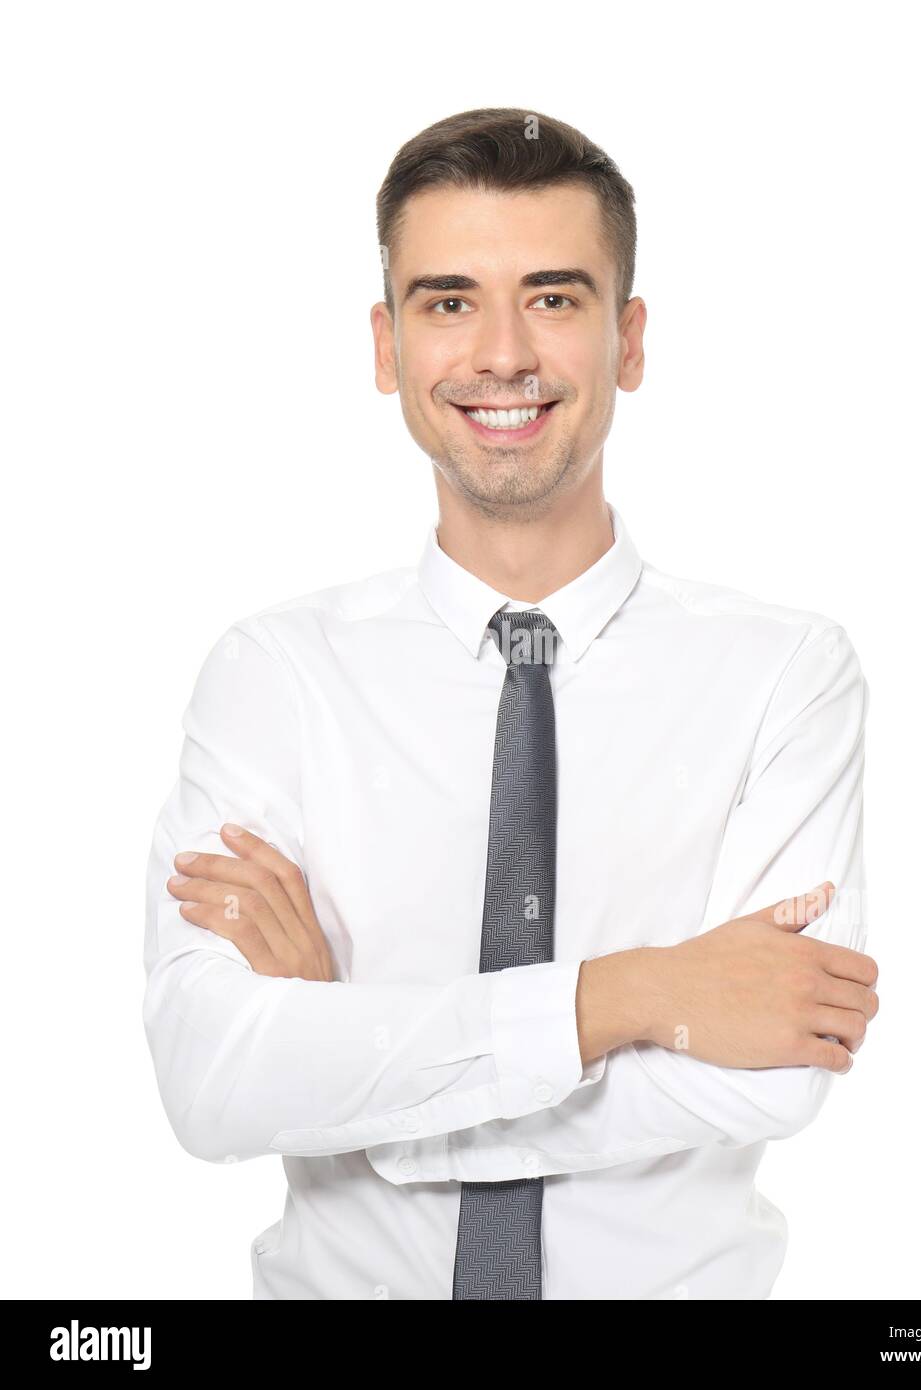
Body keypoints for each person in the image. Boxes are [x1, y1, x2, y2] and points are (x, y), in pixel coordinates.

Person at [142, 106, 879, 1301]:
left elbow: (772, 1074)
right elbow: (210, 1078)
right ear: (386, 348)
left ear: (627, 338)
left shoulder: (784, 674)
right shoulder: (271, 675)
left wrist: (360, 1060)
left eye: (552, 297)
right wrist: (632, 994)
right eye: (447, 302)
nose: (501, 355)